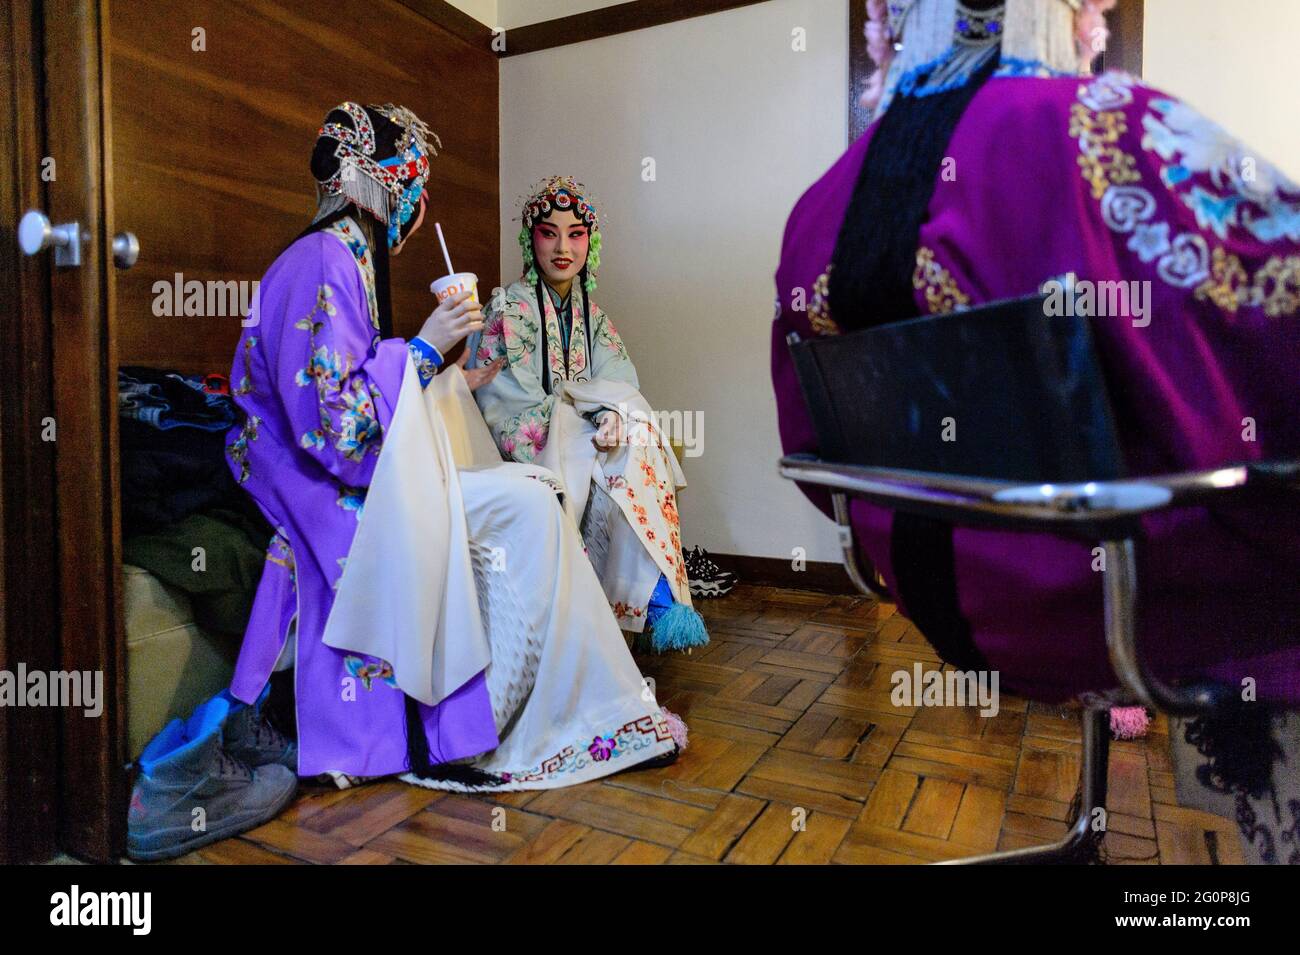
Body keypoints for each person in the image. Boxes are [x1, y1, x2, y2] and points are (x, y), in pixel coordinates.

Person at [771, 0, 1300, 860]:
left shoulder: (817, 209)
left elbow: (811, 452)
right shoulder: (1110, 129)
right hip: (1126, 601)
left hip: (951, 601)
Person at [129, 103, 685, 859]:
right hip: (307, 476)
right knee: (520, 501)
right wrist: (425, 347)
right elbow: (338, 427)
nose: (419, 210)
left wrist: (435, 359)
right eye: (416, 186)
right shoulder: (323, 261)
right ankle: (491, 724)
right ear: (389, 184)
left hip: (343, 461)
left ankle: (564, 712)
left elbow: (364, 395)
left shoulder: (343, 259)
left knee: (533, 494)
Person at [473, 176, 709, 651]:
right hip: (535, 444)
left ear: (590, 243)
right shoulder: (507, 308)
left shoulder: (592, 316)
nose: (564, 246)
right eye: (549, 232)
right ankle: (649, 603)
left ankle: (647, 601)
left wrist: (614, 413)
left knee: (636, 436)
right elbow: (512, 409)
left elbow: (620, 382)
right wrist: (590, 418)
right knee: (613, 467)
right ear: (529, 238)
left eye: (576, 233)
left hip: (582, 438)